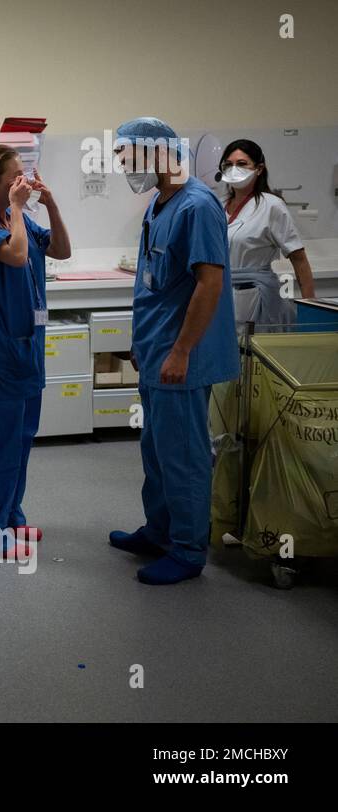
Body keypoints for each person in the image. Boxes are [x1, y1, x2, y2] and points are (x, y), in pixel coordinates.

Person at [107, 117, 237, 585]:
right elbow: (154, 283)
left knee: (183, 454)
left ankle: (186, 550)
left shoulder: (197, 206)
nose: (126, 170)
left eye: (129, 159)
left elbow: (209, 284)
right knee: (156, 449)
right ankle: (159, 530)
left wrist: (181, 351)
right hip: (157, 346)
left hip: (182, 354)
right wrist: (143, 342)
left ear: (158, 153)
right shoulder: (160, 203)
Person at [0, 145, 70, 557]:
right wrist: (20, 209)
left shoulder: (12, 218)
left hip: (27, 350)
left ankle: (10, 520)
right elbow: (18, 255)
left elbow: (60, 250)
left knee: (20, 442)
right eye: (15, 175)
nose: (22, 180)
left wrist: (51, 202)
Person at [218, 138, 315, 327]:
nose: (234, 169)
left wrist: (310, 308)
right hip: (219, 293)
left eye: (242, 164)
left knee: (249, 351)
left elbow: (299, 258)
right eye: (228, 164)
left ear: (259, 169)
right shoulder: (218, 205)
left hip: (254, 294)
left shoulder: (271, 206)